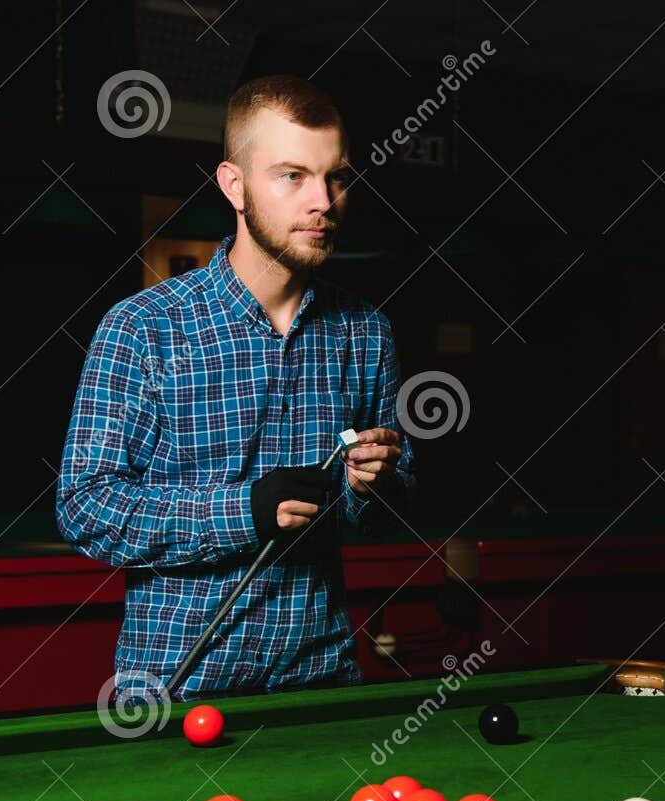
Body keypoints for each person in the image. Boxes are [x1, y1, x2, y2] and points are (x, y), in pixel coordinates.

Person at [57, 74, 414, 703]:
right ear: (234, 185)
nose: (323, 201)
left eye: (335, 177)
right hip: (177, 691)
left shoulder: (366, 333)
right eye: (291, 176)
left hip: (321, 683)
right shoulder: (143, 328)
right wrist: (242, 511)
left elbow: (383, 517)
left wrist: (374, 485)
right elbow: (85, 507)